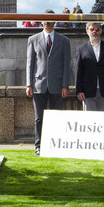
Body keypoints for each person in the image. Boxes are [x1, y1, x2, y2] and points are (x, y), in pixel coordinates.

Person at [26, 9, 71, 155]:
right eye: (45, 19)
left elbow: (66, 65)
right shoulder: (33, 40)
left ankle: (56, 145)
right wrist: (29, 84)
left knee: (57, 117)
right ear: (41, 21)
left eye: (50, 19)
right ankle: (38, 146)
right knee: (39, 118)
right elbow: (30, 64)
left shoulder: (64, 41)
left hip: (57, 85)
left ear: (55, 21)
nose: (47, 22)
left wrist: (65, 85)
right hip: (38, 85)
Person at [75, 22, 104, 111]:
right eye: (91, 29)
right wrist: (79, 90)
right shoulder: (81, 49)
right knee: (90, 118)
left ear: (101, 31)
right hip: (88, 91)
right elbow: (78, 71)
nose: (94, 31)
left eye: (97, 29)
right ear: (87, 31)